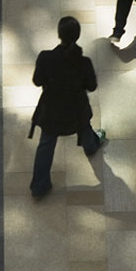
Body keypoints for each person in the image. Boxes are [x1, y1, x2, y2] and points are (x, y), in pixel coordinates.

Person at [28, 16, 107, 199]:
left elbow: (37, 81)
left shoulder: (45, 57)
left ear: (59, 35)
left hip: (51, 111)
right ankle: (91, 146)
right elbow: (92, 86)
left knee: (46, 144)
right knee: (85, 128)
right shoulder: (84, 62)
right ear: (77, 36)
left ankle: (39, 186)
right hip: (76, 111)